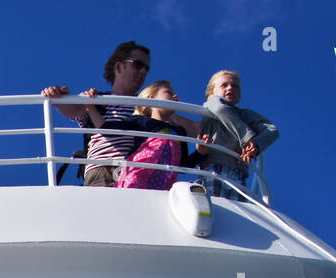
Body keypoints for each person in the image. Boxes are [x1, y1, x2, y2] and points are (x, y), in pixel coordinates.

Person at [42, 41, 152, 187]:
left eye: (147, 68)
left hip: (138, 171)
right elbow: (69, 109)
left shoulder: (148, 105)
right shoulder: (97, 101)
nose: (143, 71)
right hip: (103, 170)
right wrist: (56, 95)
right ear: (119, 67)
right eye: (138, 65)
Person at [103, 80, 201, 190]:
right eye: (168, 92)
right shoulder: (142, 121)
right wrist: (91, 108)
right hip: (135, 179)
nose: (175, 96)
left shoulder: (179, 131)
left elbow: (183, 164)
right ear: (151, 99)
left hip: (164, 187)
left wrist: (200, 153)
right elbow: (108, 129)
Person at [195, 70, 278, 199]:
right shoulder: (211, 103)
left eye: (235, 86)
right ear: (211, 92)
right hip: (215, 169)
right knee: (217, 209)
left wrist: (254, 147)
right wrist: (247, 138)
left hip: (239, 174)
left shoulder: (244, 114)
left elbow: (272, 130)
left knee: (237, 212)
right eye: (224, 85)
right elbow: (220, 109)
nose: (230, 88)